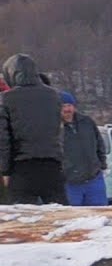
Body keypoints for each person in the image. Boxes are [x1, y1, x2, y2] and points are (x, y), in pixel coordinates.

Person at [0, 54, 67, 205]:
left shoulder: (6, 99)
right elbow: (59, 132)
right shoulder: (53, 95)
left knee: (24, 217)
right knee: (59, 216)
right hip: (52, 164)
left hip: (22, 166)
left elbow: (3, 139)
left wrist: (5, 171)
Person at [60, 91, 108, 206]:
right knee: (73, 219)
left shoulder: (86, 122)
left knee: (98, 217)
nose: (67, 109)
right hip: (69, 183)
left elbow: (99, 143)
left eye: (69, 105)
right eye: (63, 106)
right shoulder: (53, 127)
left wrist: (102, 164)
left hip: (94, 179)